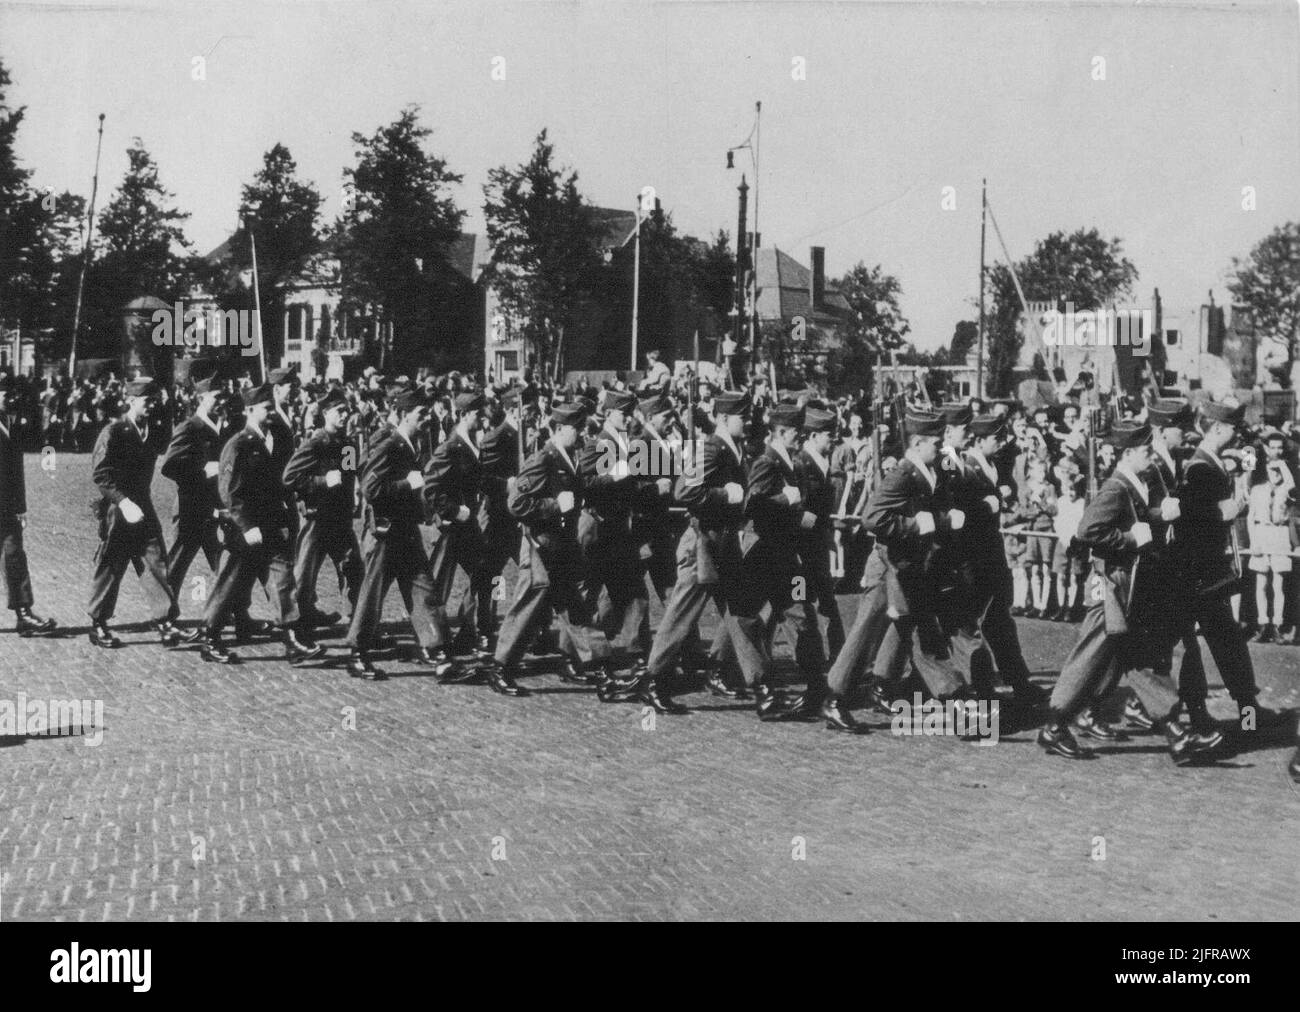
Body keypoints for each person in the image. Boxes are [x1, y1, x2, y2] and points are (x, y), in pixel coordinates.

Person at [1037, 422, 1222, 763]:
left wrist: (1157, 516)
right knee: (1088, 658)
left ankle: (1176, 735)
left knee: (1140, 657)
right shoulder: (1116, 487)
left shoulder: (1134, 483)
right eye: (1146, 451)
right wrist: (1130, 539)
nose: (1151, 456)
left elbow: (1134, 518)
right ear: (1127, 454)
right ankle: (1055, 723)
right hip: (1109, 588)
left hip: (1128, 589)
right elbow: (1089, 530)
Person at [483, 400, 621, 699]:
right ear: (559, 429)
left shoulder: (568, 457)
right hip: (540, 549)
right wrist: (553, 505)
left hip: (561, 550)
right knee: (527, 609)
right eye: (577, 429)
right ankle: (500, 667)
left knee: (575, 610)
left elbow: (580, 489)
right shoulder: (543, 459)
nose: (582, 434)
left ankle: (601, 667)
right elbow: (516, 503)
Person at [193, 383, 325, 667]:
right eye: (267, 408)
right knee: (230, 583)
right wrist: (245, 524)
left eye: (272, 407)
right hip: (245, 530)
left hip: (271, 525)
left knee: (283, 579)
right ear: (251, 410)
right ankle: (211, 638)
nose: (272, 412)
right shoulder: (238, 444)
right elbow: (229, 490)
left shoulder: (272, 439)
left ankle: (292, 639)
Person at [344, 388, 444, 680]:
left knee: (423, 587)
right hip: (386, 533)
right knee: (372, 594)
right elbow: (370, 489)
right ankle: (357, 653)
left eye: (428, 412)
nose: (427, 418)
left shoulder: (410, 443)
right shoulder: (390, 444)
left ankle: (436, 648)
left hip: (406, 530)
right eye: (420, 414)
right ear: (402, 415)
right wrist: (406, 484)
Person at [86, 379, 189, 649]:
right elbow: (101, 474)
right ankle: (98, 623)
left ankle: (165, 620)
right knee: (111, 566)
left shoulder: (152, 431)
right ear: (131, 401)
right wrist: (122, 502)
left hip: (143, 508)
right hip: (119, 512)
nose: (151, 405)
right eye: (147, 400)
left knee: (155, 561)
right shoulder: (114, 431)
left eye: (154, 400)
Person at [283, 386, 364, 631]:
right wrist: (321, 481)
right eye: (339, 411)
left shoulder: (348, 444)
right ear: (326, 413)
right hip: (318, 519)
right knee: (305, 573)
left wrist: (354, 497)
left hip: (340, 518)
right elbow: (290, 477)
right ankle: (299, 619)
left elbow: (349, 474)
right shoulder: (315, 443)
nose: (344, 415)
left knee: (353, 567)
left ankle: (354, 618)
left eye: (347, 411)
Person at [160, 377, 228, 609]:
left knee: (226, 563)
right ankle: (165, 616)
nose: (222, 401)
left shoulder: (223, 427)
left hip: (216, 507)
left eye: (224, 396)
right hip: (192, 507)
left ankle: (238, 615)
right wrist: (202, 470)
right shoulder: (190, 427)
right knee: (178, 563)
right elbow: (170, 466)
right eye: (217, 397)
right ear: (201, 398)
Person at [0, 375, 56, 637]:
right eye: (1, 391)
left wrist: (21, 506)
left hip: (7, 507)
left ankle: (23, 614)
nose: (6, 396)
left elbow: (16, 470)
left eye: (6, 391)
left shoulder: (8, 423)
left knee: (15, 556)